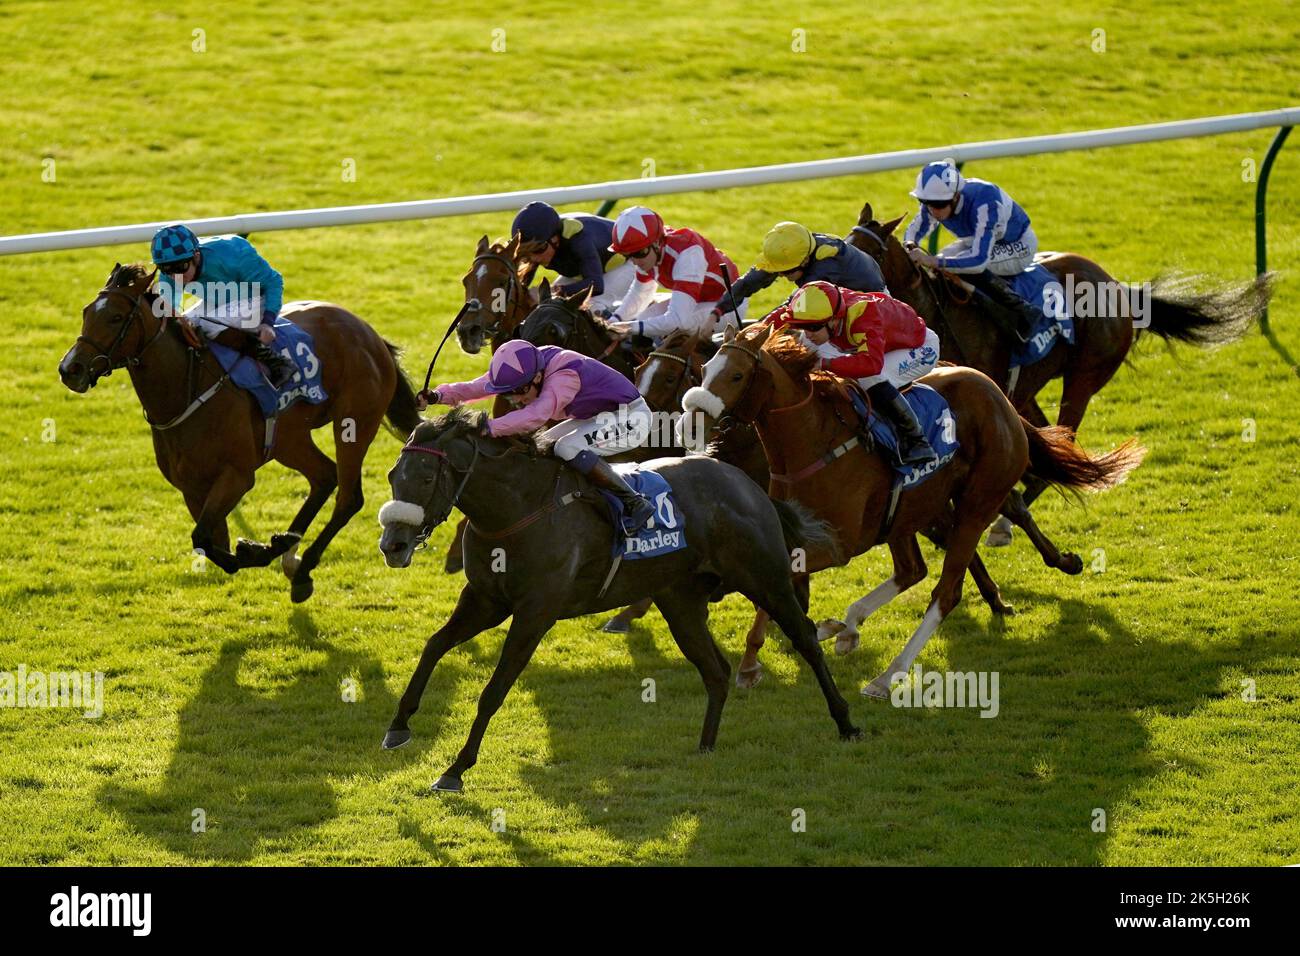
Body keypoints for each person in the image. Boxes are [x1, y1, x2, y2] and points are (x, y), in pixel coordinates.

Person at [417, 340, 656, 531]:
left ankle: (635, 503)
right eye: (509, 395)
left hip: (632, 419)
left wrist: (487, 427)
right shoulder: (524, 367)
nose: (517, 399)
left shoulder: (564, 377)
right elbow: (475, 387)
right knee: (546, 446)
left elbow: (535, 416)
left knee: (566, 448)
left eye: (519, 392)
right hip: (598, 416)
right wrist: (437, 396)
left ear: (538, 378)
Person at [767, 280, 939, 467]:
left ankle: (917, 440)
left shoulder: (863, 315)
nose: (808, 332)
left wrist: (826, 363)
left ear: (834, 320)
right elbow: (780, 317)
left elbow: (871, 364)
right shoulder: (822, 302)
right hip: (881, 343)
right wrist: (751, 334)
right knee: (805, 346)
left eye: (813, 327)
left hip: (919, 347)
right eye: (802, 326)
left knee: (868, 378)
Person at [902, 160, 1041, 340]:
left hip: (1018, 245)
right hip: (976, 241)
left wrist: (932, 260)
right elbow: (914, 230)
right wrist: (910, 245)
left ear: (955, 197)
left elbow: (978, 261)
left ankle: (1023, 311)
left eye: (938, 205)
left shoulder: (985, 200)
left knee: (957, 265)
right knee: (941, 266)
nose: (933, 211)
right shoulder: (936, 200)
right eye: (926, 203)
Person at [151, 224, 295, 387]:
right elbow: (169, 312)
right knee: (182, 326)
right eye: (166, 270)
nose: (175, 276)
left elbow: (274, 281)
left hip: (255, 296)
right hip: (218, 299)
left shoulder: (233, 254)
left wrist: (268, 323)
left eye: (180, 268)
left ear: (196, 256)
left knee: (207, 324)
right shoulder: (172, 271)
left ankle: (277, 362)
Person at [604, 206, 747, 342]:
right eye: (627, 255)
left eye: (638, 253)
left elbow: (678, 321)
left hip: (728, 306)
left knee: (674, 331)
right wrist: (613, 321)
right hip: (699, 301)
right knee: (644, 319)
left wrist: (628, 327)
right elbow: (640, 294)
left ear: (657, 243)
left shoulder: (687, 254)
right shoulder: (648, 254)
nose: (635, 262)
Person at [711, 220, 887, 318]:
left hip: (871, 308)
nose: (781, 275)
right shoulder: (793, 248)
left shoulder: (827, 262)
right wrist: (716, 312)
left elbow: (798, 304)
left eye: (786, 272)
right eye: (778, 271)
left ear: (804, 261)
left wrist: (758, 328)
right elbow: (749, 282)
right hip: (834, 303)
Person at [511, 201, 636, 316]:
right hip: (590, 270)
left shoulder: (579, 240)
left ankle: (623, 337)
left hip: (631, 263)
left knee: (592, 306)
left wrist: (554, 291)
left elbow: (596, 285)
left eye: (538, 250)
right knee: (551, 306)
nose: (534, 259)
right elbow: (522, 285)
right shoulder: (544, 240)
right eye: (526, 254)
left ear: (555, 239)